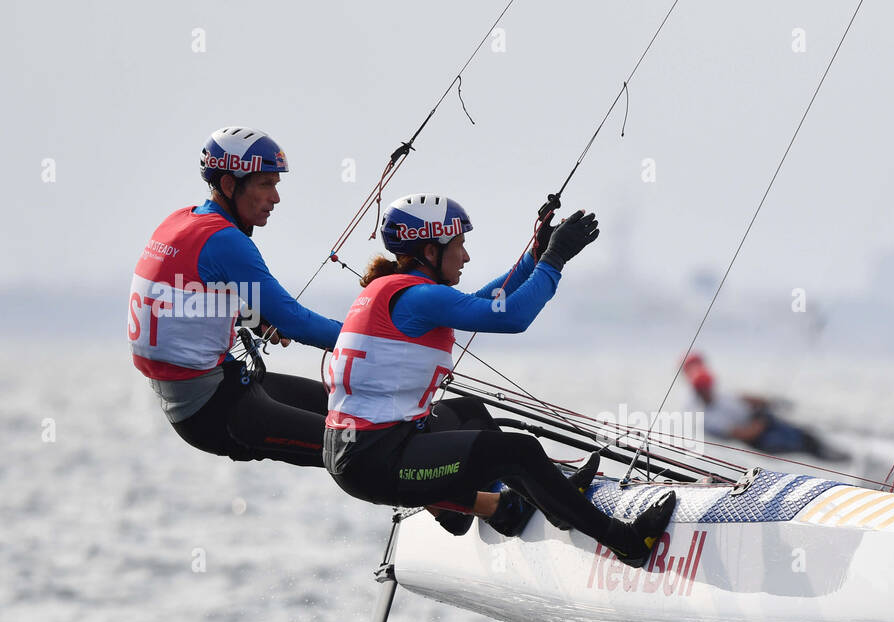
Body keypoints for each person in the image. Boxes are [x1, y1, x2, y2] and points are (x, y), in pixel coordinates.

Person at [323, 193, 676, 567]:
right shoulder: (419, 297)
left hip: (359, 449)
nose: (467, 256)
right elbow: (511, 317)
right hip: (374, 461)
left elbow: (479, 303)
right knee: (519, 452)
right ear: (430, 251)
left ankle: (551, 503)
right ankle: (627, 543)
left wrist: (533, 258)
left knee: (470, 412)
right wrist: (554, 261)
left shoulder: (395, 290)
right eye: (459, 245)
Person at [128, 127, 342, 467]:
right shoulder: (225, 240)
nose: (276, 198)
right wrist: (371, 342)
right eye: (266, 185)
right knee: (356, 444)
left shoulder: (179, 221)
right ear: (229, 185)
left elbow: (185, 305)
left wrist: (254, 319)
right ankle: (439, 497)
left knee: (341, 403)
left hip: (212, 394)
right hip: (215, 410)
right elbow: (293, 320)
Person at [682, 353, 848, 462]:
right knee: (803, 445)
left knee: (808, 435)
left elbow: (741, 398)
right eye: (704, 388)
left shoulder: (718, 393)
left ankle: (845, 456)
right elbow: (743, 434)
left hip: (764, 422)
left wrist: (768, 401)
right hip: (761, 438)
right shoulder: (708, 418)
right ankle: (842, 460)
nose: (708, 390)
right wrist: (761, 419)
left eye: (709, 385)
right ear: (698, 390)